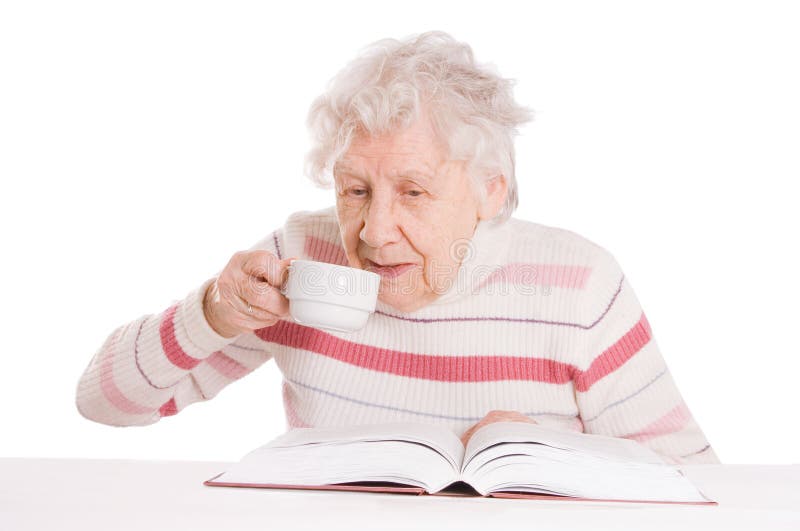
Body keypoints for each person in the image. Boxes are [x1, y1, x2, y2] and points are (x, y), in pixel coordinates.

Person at [75, 30, 719, 465]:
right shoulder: (302, 260)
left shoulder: (579, 286)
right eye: (355, 190)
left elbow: (699, 488)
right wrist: (214, 310)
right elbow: (104, 404)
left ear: (490, 191)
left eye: (412, 192)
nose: (375, 232)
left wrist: (551, 460)